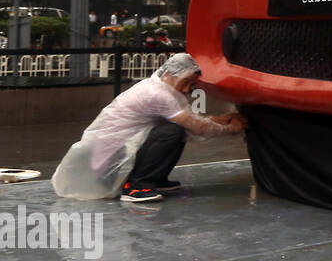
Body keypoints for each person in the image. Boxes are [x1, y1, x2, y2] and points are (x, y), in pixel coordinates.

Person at [52, 53, 247, 203]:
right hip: (109, 168)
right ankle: (136, 186)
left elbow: (191, 120)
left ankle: (155, 179)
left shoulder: (160, 87)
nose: (188, 89)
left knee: (176, 129)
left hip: (111, 160)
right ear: (170, 75)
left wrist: (220, 119)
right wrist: (231, 128)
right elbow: (197, 127)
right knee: (173, 131)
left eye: (192, 84)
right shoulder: (158, 95)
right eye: (186, 82)